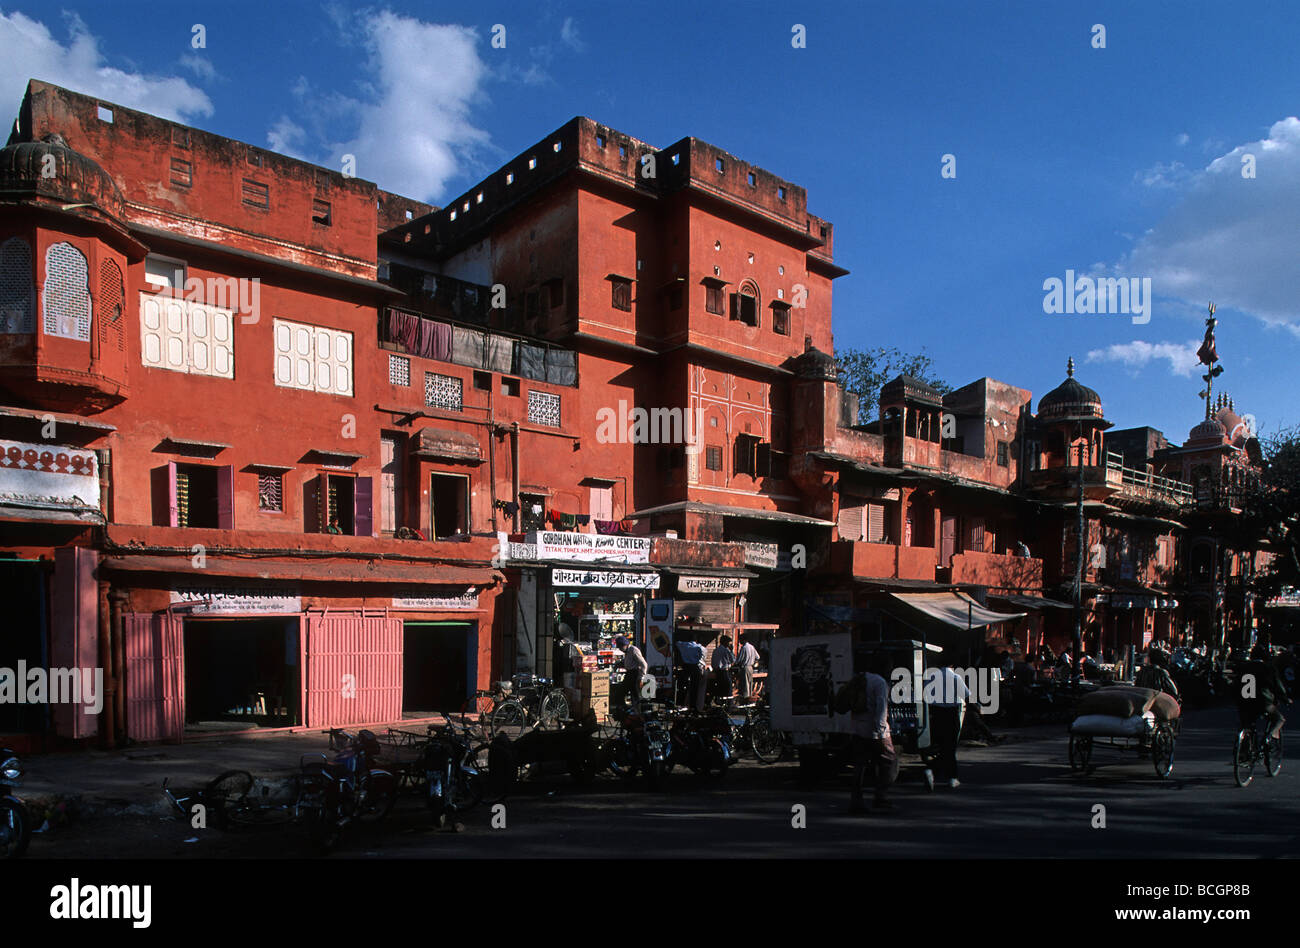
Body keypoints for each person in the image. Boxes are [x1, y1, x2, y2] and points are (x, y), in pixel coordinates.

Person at [842, 652, 898, 813]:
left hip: (856, 728)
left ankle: (856, 801)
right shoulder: (880, 682)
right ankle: (881, 795)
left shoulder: (859, 678)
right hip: (874, 730)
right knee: (890, 761)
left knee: (859, 765)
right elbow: (881, 708)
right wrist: (881, 731)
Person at [924, 662, 970, 789]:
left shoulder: (931, 677)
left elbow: (924, 695)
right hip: (951, 714)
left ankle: (935, 772)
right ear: (952, 665)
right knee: (950, 747)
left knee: (942, 746)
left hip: (935, 714)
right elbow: (966, 695)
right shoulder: (955, 677)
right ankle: (949, 776)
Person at [1237, 644, 1288, 740]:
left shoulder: (1243, 668)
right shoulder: (1268, 668)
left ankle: (1244, 745)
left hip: (1245, 702)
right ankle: (1269, 737)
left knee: (1247, 723)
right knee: (1279, 719)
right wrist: (1285, 698)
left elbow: (1235, 685)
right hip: (1263, 702)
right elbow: (1278, 686)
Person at [675, 635, 707, 710]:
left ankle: (682, 704)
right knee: (695, 688)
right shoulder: (699, 647)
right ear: (696, 640)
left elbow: (676, 643)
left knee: (683, 687)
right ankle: (693, 706)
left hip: (686, 667)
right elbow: (703, 656)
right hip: (695, 667)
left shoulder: (683, 645)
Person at [616, 635, 647, 708]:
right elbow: (629, 663)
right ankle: (629, 708)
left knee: (634, 693)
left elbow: (643, 664)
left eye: (621, 647)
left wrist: (642, 676)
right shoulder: (627, 651)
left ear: (625, 645)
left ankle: (637, 709)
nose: (620, 649)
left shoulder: (633, 650)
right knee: (624, 691)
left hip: (634, 674)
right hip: (629, 673)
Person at [711, 634, 736, 702]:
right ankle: (728, 705)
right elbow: (733, 660)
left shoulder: (716, 650)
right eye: (729, 643)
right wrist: (731, 650)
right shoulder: (726, 651)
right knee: (728, 689)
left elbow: (713, 662)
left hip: (717, 672)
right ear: (725, 642)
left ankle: (720, 703)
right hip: (724, 671)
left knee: (720, 689)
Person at [735, 635, 759, 702]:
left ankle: (745, 700)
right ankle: (749, 698)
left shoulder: (744, 648)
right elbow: (758, 657)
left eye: (740, 640)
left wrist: (736, 662)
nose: (739, 642)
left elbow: (739, 660)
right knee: (750, 683)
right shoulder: (752, 647)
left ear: (744, 640)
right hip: (751, 667)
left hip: (745, 667)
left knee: (745, 685)